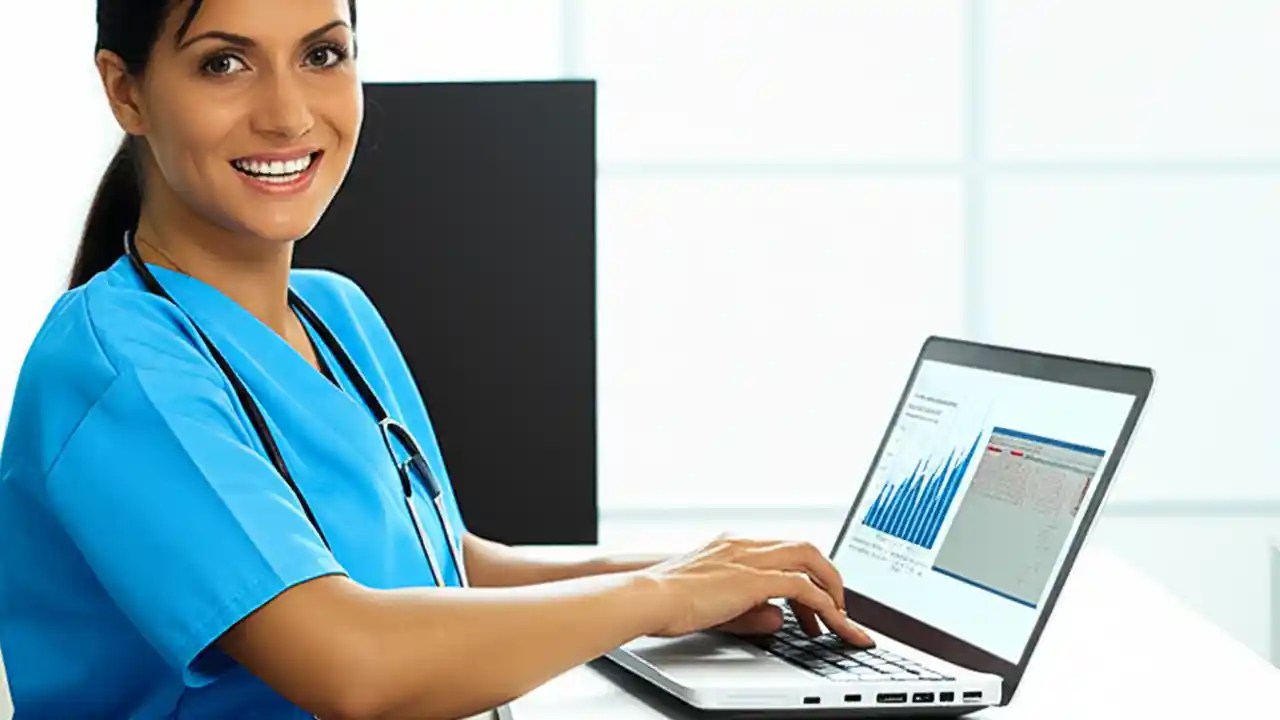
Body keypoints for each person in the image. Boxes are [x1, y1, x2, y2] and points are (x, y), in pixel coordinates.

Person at [0, 1, 874, 718]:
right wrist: (661, 602)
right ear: (127, 93)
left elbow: (440, 561)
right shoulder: (118, 367)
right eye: (225, 63)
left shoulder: (336, 312)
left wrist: (691, 573)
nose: (289, 114)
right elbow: (352, 665)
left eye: (323, 54)